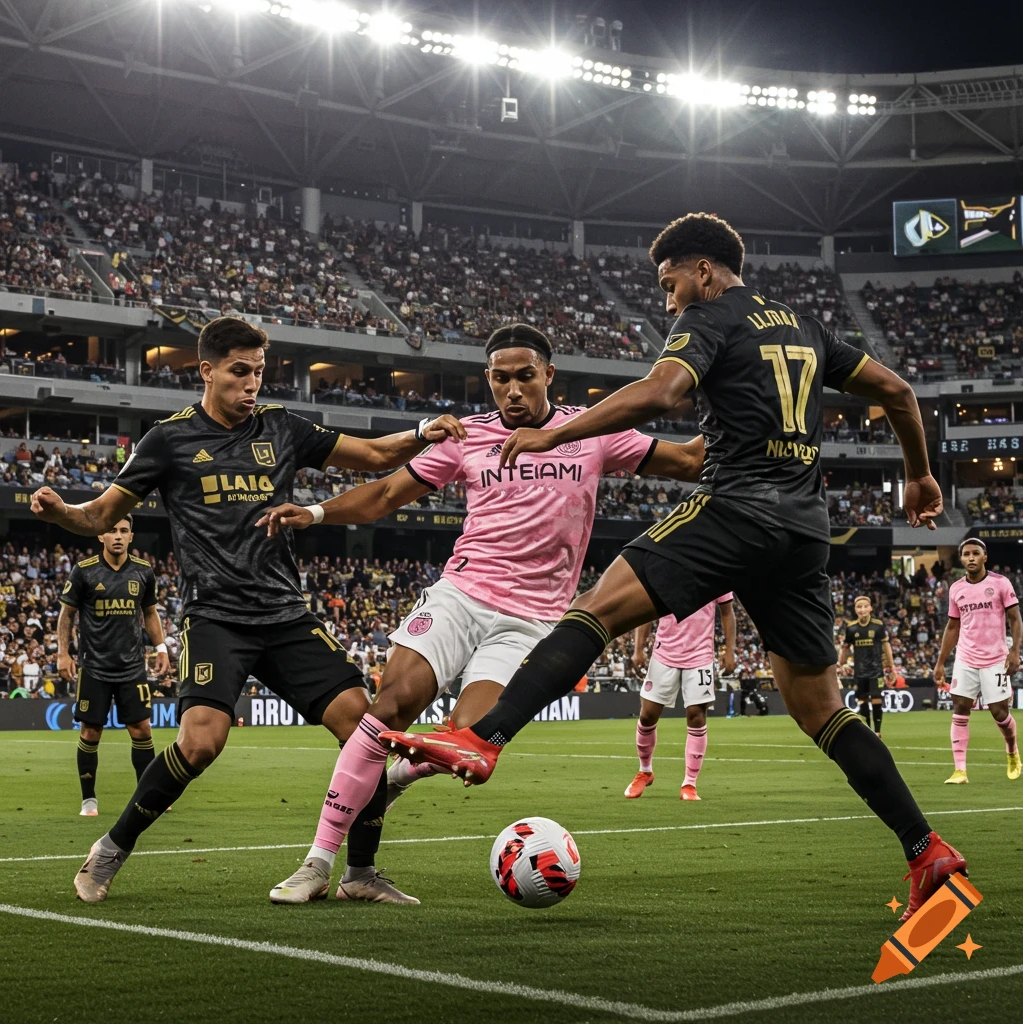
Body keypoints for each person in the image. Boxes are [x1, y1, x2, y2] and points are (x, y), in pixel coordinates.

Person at [383, 212, 963, 923]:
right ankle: (924, 847)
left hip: (737, 507)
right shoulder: (808, 326)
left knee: (596, 609)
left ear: (704, 271)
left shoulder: (711, 315)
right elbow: (900, 393)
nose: (667, 301)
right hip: (806, 531)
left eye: (670, 284)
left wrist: (554, 432)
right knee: (821, 711)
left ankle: (481, 736)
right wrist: (921, 479)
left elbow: (661, 393)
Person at [258, 322, 705, 904]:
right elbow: (387, 494)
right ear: (488, 380)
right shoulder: (466, 436)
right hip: (462, 596)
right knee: (387, 707)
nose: (513, 390)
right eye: (500, 379)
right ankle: (318, 864)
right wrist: (316, 514)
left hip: (533, 621)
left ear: (549, 375)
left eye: (525, 377)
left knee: (466, 745)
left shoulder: (593, 433)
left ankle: (391, 780)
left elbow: (689, 461)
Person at [30, 315, 465, 903]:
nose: (253, 383)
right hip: (216, 616)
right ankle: (109, 850)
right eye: (240, 372)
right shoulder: (169, 439)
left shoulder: (281, 427)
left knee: (367, 729)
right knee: (202, 742)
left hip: (286, 614)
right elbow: (100, 515)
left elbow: (368, 455)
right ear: (207, 371)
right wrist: (60, 513)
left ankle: (359, 874)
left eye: (259, 371)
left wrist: (422, 431)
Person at [58, 515, 169, 816]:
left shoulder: (144, 572)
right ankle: (88, 799)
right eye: (112, 530)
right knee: (90, 732)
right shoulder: (84, 571)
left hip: (132, 666)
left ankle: (147, 796)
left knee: (142, 730)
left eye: (123, 531)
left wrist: (161, 647)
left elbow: (150, 613)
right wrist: (63, 653)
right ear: (100, 536)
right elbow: (67, 615)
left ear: (131, 537)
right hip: (94, 666)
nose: (117, 536)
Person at [626, 595, 735, 800]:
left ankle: (689, 784)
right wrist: (638, 649)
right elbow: (647, 609)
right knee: (648, 715)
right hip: (664, 653)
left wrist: (730, 652)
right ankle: (645, 770)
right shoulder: (667, 567)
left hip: (700, 656)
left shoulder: (718, 567)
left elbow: (727, 613)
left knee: (696, 716)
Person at [933, 537, 1021, 784]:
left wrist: (1014, 652)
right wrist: (941, 662)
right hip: (965, 657)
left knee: (999, 713)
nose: (970, 557)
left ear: (985, 557)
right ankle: (960, 770)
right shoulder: (956, 589)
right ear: (961, 559)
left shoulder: (1001, 583)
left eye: (975, 553)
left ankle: (1012, 750)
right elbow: (952, 627)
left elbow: (1015, 618)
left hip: (995, 658)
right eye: (966, 554)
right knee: (960, 707)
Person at [837, 595, 894, 738]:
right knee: (862, 700)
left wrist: (891, 666)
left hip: (876, 670)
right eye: (859, 607)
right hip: (860, 671)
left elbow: (886, 645)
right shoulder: (851, 628)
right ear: (855, 609)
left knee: (876, 699)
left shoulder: (878, 625)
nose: (862, 609)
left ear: (870, 608)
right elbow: (845, 647)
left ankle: (878, 730)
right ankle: (868, 731)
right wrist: (841, 662)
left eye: (865, 606)